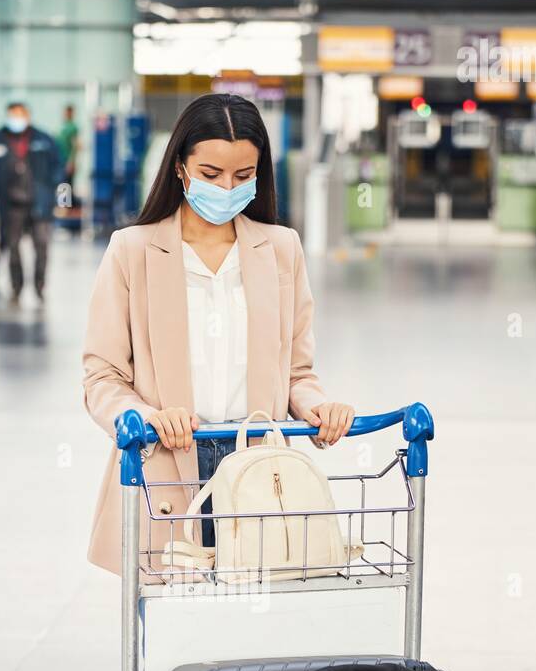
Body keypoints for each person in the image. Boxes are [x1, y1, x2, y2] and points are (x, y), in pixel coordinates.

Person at [82, 92, 354, 576]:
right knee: (171, 633)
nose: (227, 188)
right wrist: (144, 416)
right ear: (180, 169)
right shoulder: (132, 251)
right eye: (211, 175)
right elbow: (102, 377)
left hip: (257, 469)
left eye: (243, 176)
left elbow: (297, 372)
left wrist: (317, 406)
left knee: (250, 634)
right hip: (164, 466)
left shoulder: (281, 249)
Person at [0, 100, 63, 305]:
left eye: (20, 115)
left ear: (28, 116)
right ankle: (16, 286)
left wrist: (61, 200)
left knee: (42, 245)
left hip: (40, 203)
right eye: (13, 115)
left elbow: (58, 170)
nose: (17, 119)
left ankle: (39, 286)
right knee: (12, 246)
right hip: (10, 204)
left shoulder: (44, 140)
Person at [56, 103, 80, 193]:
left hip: (67, 159)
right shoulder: (63, 126)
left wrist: (71, 161)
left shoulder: (73, 127)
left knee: (66, 183)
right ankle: (63, 203)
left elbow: (75, 145)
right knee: (62, 181)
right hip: (60, 158)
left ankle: (66, 204)